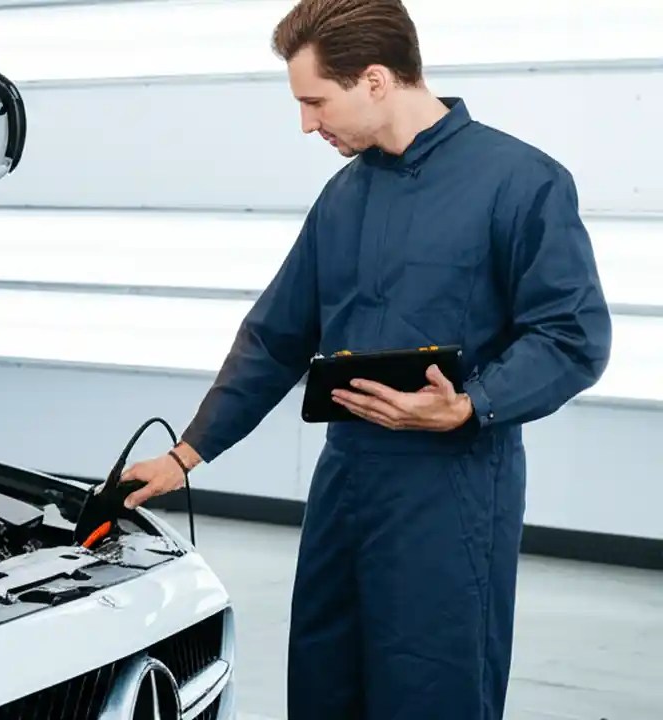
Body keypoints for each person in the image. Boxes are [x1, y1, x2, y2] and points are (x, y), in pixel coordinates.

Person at [119, 0, 612, 718]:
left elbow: (572, 333)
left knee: (434, 685)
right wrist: (186, 455)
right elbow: (275, 336)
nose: (307, 123)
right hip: (346, 483)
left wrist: (471, 403)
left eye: (316, 101)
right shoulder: (343, 197)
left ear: (375, 80)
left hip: (454, 492)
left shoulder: (522, 181)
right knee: (326, 677)